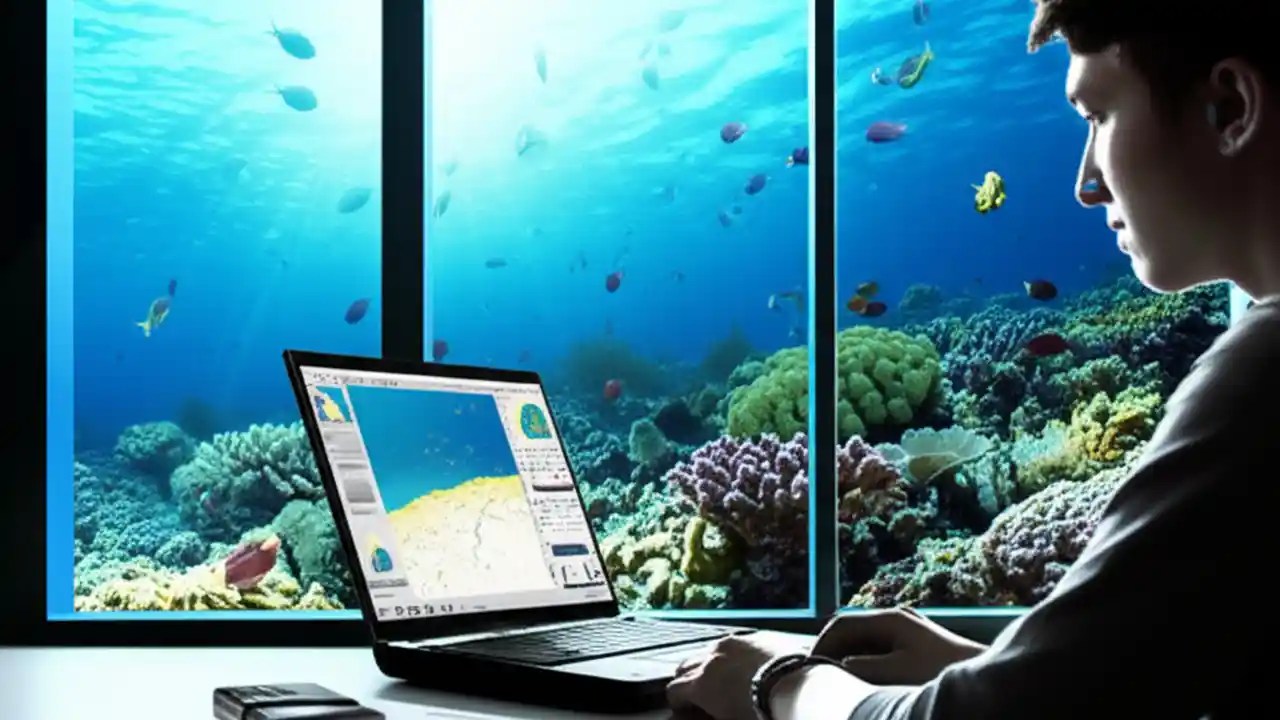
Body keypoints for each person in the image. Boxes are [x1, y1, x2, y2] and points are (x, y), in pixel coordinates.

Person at [665, 1, 1278, 718]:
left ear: (1228, 106)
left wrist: (782, 683)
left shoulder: (1264, 380)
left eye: (1096, 116)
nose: (1086, 182)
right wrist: (1001, 664)